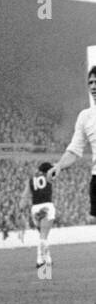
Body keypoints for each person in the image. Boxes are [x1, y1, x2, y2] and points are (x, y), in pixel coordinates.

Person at [46, 66, 96, 222]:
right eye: (91, 82)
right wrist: (59, 166)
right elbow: (74, 149)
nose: (93, 86)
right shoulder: (85, 117)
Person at [22, 161, 57, 268]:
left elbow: (25, 195)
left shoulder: (31, 180)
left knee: (42, 236)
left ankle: (48, 259)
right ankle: (40, 260)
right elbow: (56, 170)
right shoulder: (49, 177)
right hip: (46, 206)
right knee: (43, 235)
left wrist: (21, 207)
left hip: (35, 208)